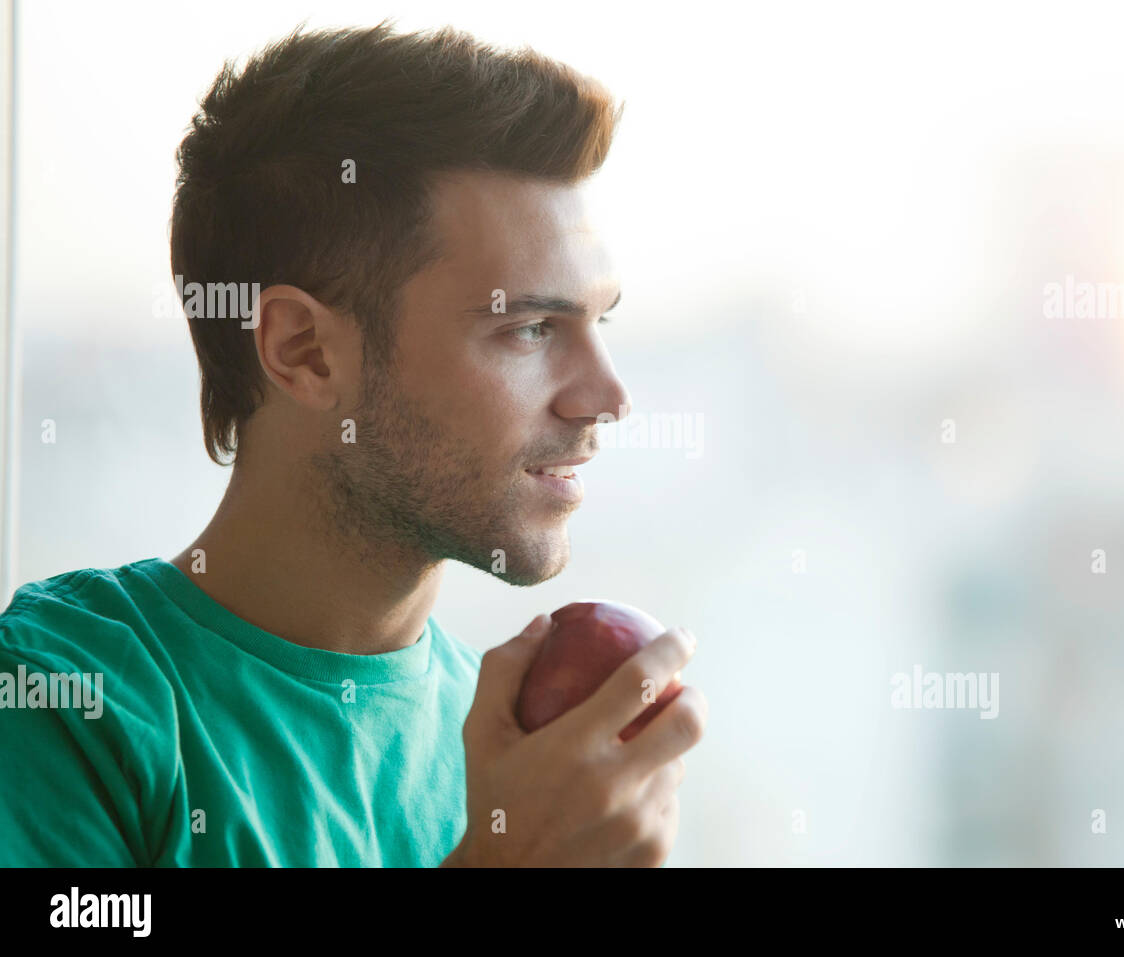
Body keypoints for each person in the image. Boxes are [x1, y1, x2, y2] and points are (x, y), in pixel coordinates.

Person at [0, 22, 706, 867]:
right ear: (304, 351)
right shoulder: (59, 702)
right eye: (528, 328)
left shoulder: (523, 753)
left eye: (600, 321)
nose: (610, 397)